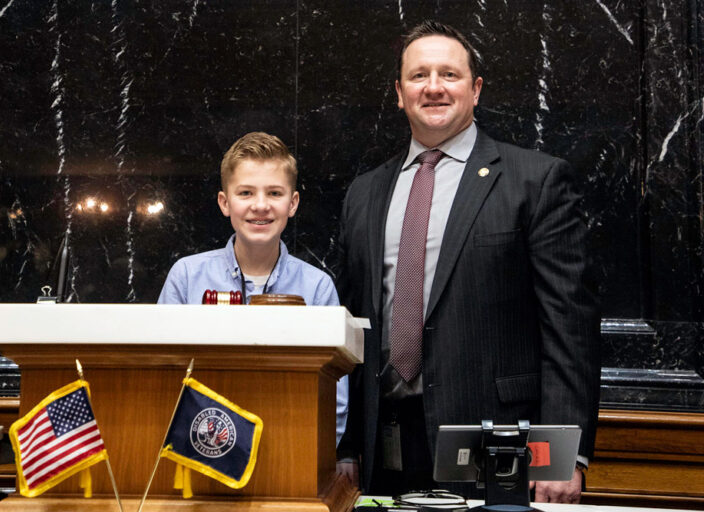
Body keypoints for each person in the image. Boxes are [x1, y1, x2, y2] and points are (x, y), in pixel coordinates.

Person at [336, 21, 600, 503]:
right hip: (383, 448)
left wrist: (563, 455)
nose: (433, 87)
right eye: (419, 75)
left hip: (498, 443)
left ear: (475, 89)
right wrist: (349, 445)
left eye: (449, 74)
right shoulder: (364, 193)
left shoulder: (535, 181)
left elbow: (570, 326)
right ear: (399, 93)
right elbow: (353, 329)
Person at [158, 131, 348, 446]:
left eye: (274, 193)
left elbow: (333, 399)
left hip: (290, 451)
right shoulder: (187, 278)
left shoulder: (317, 288)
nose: (260, 206)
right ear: (225, 202)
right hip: (199, 448)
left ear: (292, 203)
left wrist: (311, 454)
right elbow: (163, 377)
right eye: (245, 193)